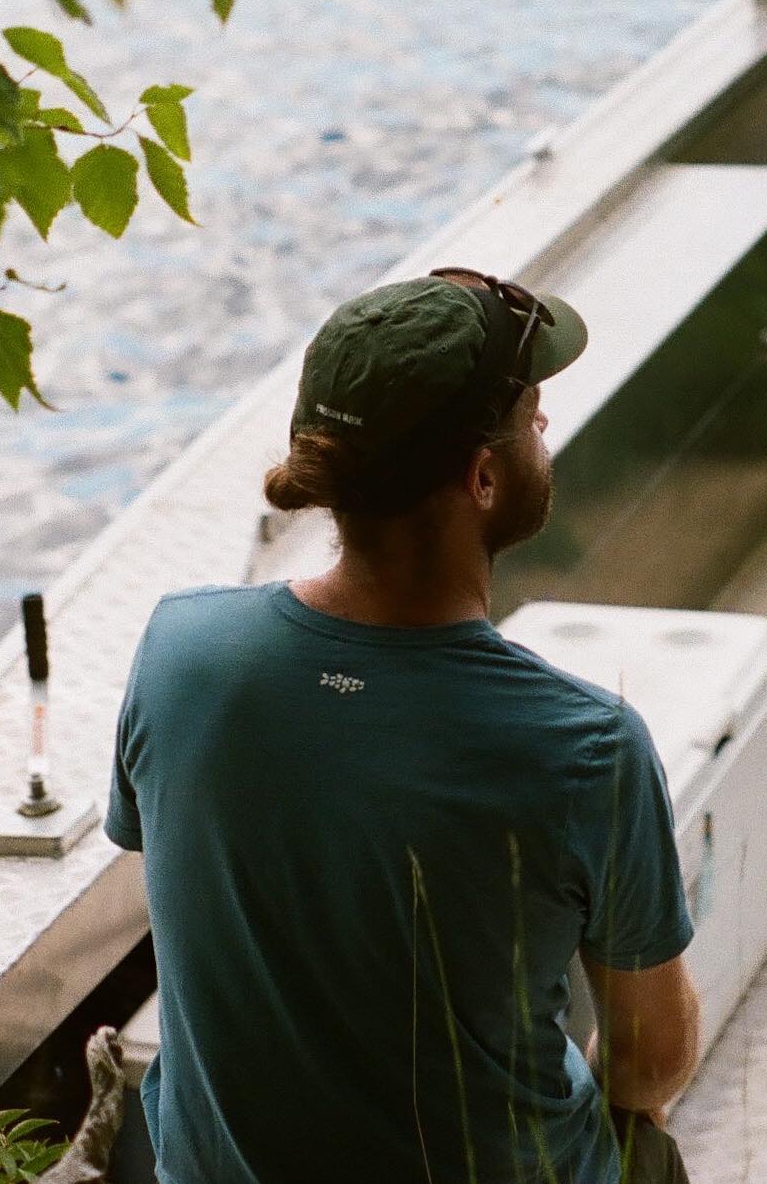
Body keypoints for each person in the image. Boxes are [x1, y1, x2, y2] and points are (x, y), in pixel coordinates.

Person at [107, 266, 700, 1183]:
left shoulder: (181, 651)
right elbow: (650, 1063)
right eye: (532, 414)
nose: (544, 429)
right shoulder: (584, 747)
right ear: (484, 477)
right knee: (642, 1143)